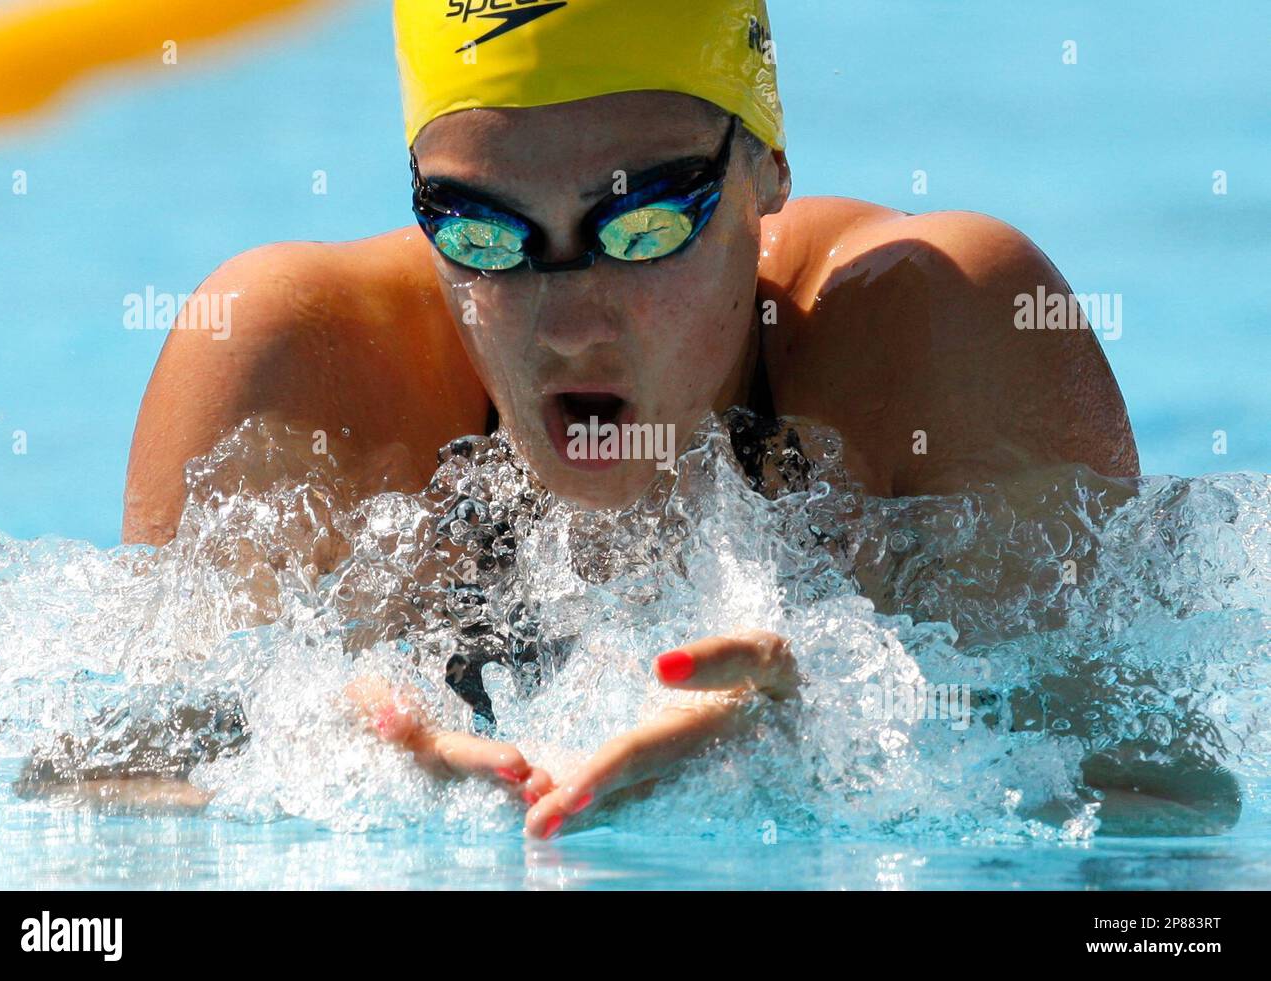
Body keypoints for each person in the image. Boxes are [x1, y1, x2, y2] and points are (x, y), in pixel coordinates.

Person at [107, 1, 1235, 839]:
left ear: (767, 173)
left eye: (643, 227)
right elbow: (95, 825)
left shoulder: (936, 329)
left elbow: (1162, 825)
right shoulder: (291, 362)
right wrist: (310, 791)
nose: (563, 327)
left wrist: (841, 752)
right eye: (482, 234)